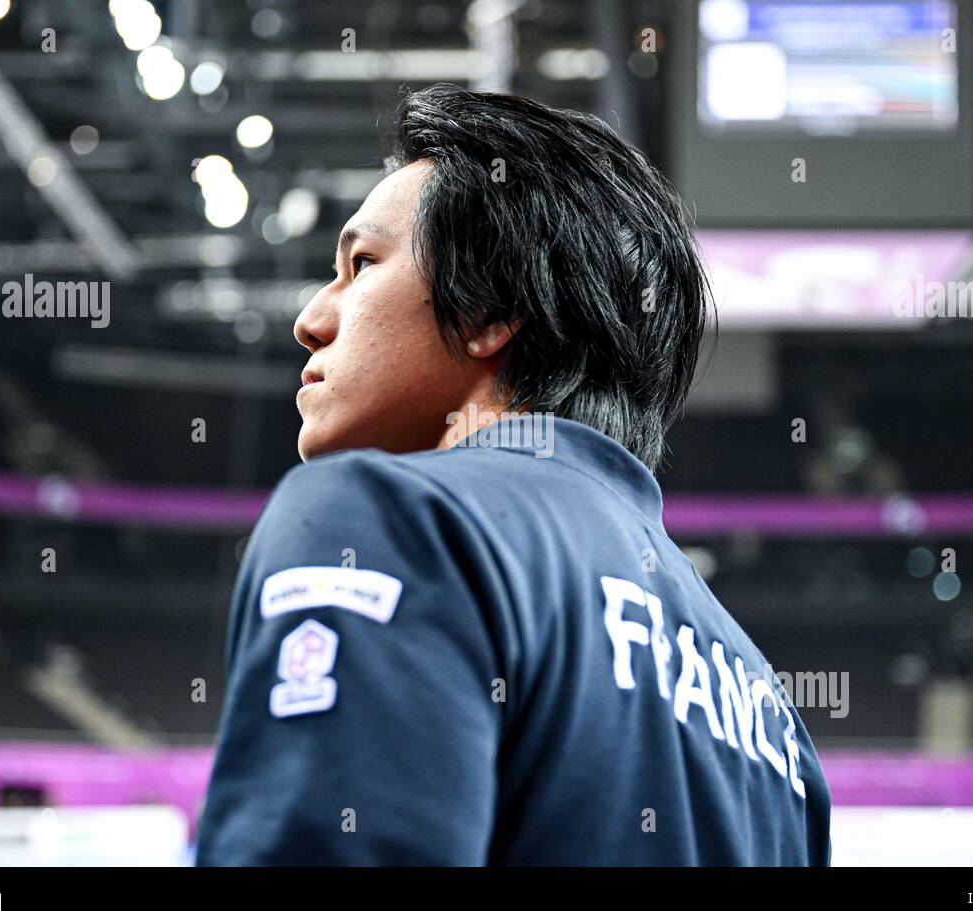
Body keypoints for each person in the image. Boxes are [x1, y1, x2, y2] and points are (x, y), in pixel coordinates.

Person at [195, 83, 831, 865]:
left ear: (492, 310)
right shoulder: (770, 716)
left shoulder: (382, 521)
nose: (312, 317)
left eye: (361, 265)